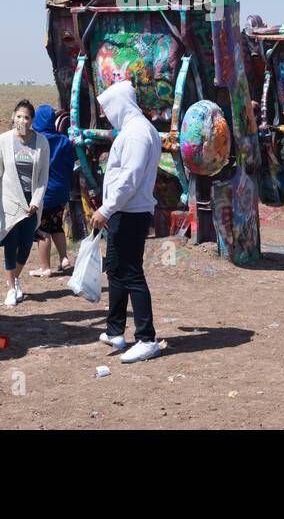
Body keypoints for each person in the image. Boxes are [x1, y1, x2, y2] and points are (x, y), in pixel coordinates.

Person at [91, 81, 162, 363]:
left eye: (108, 109)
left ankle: (147, 339)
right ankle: (115, 330)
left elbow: (129, 179)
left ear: (120, 104)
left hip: (129, 213)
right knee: (117, 270)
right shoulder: (135, 130)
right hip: (125, 211)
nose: (107, 115)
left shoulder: (136, 134)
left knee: (131, 272)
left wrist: (106, 209)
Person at [0, 100, 50, 308]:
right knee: (10, 241)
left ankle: (15, 278)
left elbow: (43, 178)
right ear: (13, 117)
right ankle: (10, 288)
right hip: (9, 199)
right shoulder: (3, 141)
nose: (22, 121)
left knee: (25, 244)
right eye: (18, 116)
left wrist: (36, 200)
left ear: (32, 120)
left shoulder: (41, 143)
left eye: (26, 117)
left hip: (30, 202)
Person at [27, 105, 75, 278]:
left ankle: (45, 267)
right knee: (56, 225)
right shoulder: (64, 140)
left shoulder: (36, 141)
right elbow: (72, 162)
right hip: (62, 191)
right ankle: (63, 259)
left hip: (44, 193)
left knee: (42, 229)